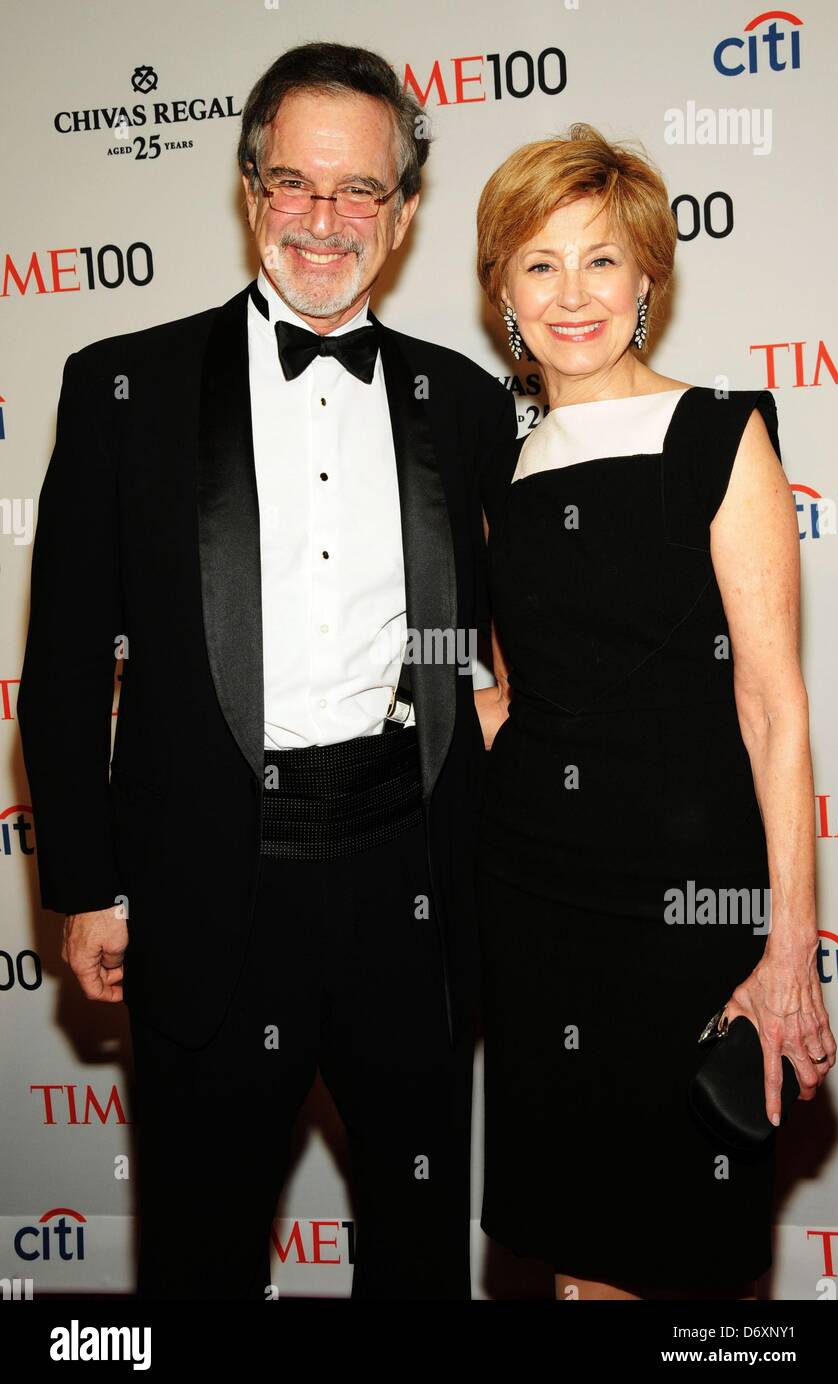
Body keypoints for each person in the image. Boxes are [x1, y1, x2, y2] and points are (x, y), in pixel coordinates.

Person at [17, 42, 517, 1299]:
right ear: (251, 192)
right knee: (199, 1253)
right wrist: (84, 886)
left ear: (403, 217)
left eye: (360, 193)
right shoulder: (121, 388)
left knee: (417, 1258)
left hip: (409, 881)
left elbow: (478, 634)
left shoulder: (465, 401)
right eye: (293, 183)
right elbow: (67, 666)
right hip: (205, 887)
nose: (323, 221)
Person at [472, 123, 837, 1301]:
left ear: (646, 282)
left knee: (687, 1249)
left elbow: (775, 705)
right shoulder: (497, 473)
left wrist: (788, 945)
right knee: (578, 1255)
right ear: (503, 295)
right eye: (539, 263)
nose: (570, 294)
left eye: (601, 260)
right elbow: (509, 692)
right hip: (538, 901)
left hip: (690, 905)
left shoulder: (718, 435)